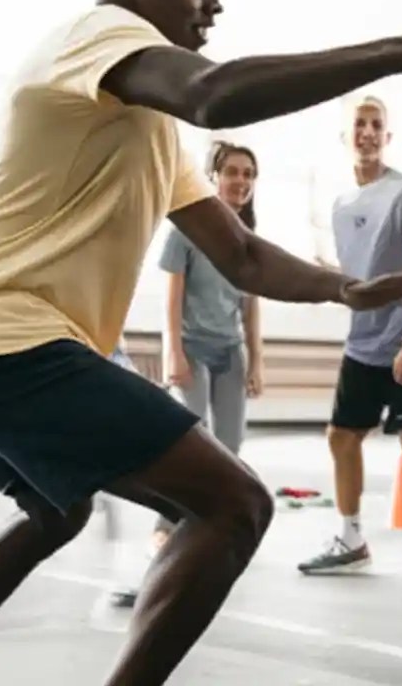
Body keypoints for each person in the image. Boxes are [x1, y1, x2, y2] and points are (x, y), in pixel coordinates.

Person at [0, 0, 402, 681]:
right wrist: (399, 52)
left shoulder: (144, 126)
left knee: (55, 508)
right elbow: (213, 93)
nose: (214, 2)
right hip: (2, 332)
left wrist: (346, 288)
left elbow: (243, 255)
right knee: (234, 505)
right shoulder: (95, 36)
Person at [295, 96, 402, 600]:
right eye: (360, 124)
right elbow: (361, 275)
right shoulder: (341, 205)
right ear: (345, 135)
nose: (367, 132)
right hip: (366, 339)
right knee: (341, 437)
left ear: (387, 137)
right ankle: (350, 540)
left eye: (376, 125)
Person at [156, 141, 264, 546]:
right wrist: (173, 353)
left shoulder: (248, 239)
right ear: (213, 177)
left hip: (230, 351)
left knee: (230, 445)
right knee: (190, 440)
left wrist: (256, 361)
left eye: (248, 174)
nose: (241, 180)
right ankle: (166, 526)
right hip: (191, 347)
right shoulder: (185, 232)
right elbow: (172, 299)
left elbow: (251, 306)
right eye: (232, 172)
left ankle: (213, 523)